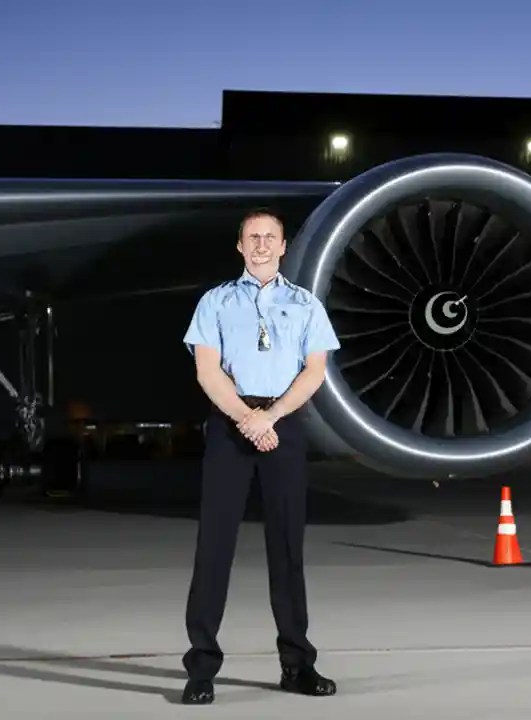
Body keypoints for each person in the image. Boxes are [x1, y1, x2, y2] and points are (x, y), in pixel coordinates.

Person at [178, 208, 341, 705]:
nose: (262, 245)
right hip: (231, 426)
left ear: (284, 246)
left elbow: (314, 372)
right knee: (215, 549)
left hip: (283, 425)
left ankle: (297, 665)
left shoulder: (306, 304)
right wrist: (246, 418)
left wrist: (269, 418)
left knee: (288, 550)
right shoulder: (216, 301)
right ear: (240, 246)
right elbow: (208, 371)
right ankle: (202, 668)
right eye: (253, 237)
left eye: (270, 237)